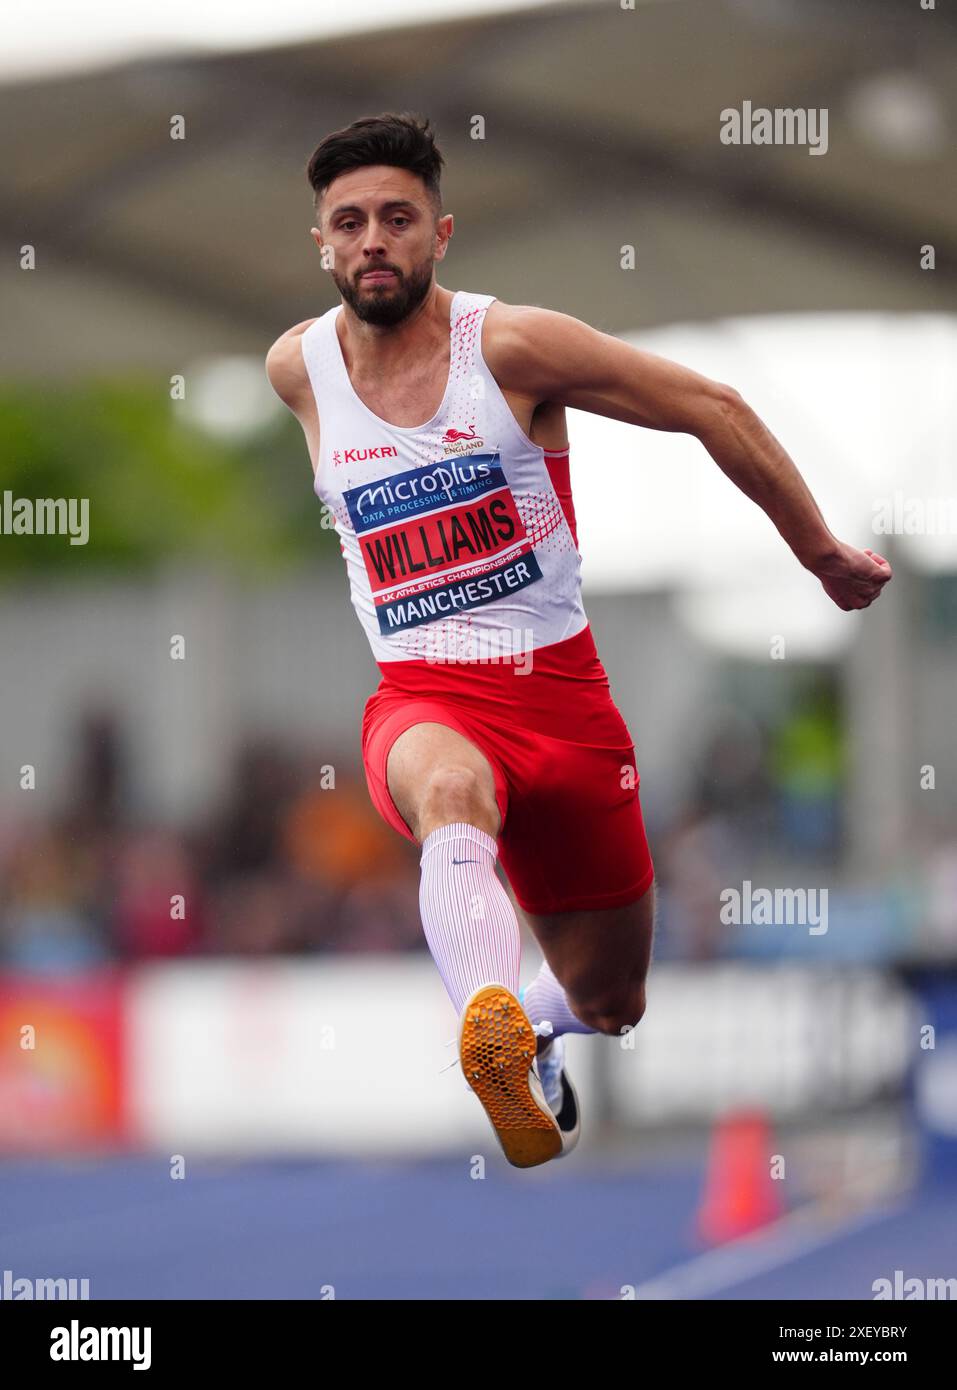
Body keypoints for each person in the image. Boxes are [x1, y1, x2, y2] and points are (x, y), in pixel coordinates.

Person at [265, 112, 892, 1168]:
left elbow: (711, 403)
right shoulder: (300, 369)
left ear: (441, 234)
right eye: (350, 222)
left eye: (398, 219)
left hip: (563, 700)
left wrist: (819, 550)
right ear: (323, 245)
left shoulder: (507, 348)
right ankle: (491, 1031)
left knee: (614, 996)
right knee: (446, 795)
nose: (374, 240)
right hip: (423, 696)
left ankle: (541, 1033)